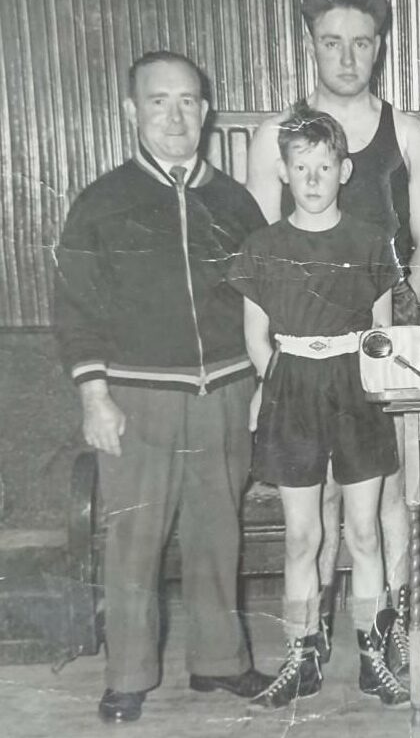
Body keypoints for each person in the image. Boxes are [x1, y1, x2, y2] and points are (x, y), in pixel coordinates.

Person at [54, 50, 273, 723]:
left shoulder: (234, 201)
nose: (174, 116)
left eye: (187, 101)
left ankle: (220, 661)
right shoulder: (102, 202)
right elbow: (76, 306)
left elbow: (262, 298)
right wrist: (94, 396)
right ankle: (127, 675)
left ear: (205, 111)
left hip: (226, 391)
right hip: (136, 398)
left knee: (218, 534)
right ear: (132, 111)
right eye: (158, 101)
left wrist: (263, 380)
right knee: (133, 541)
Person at [246, 0, 420, 676]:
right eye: (333, 42)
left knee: (383, 500)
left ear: (379, 46)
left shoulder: (406, 131)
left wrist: (386, 325)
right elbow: (262, 252)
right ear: (312, 45)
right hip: (302, 346)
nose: (347, 56)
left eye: (361, 42)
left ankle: (380, 640)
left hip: (381, 331)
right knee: (313, 510)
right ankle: (309, 646)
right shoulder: (277, 136)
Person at [230, 107, 409, 709]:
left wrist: (373, 384)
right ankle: (301, 656)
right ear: (282, 171)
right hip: (293, 392)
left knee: (363, 531)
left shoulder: (367, 241)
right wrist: (273, 385)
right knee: (303, 536)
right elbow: (257, 337)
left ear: (344, 169)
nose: (312, 177)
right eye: (300, 166)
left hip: (356, 390)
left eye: (324, 166)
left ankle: (372, 655)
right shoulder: (263, 246)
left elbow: (382, 333)